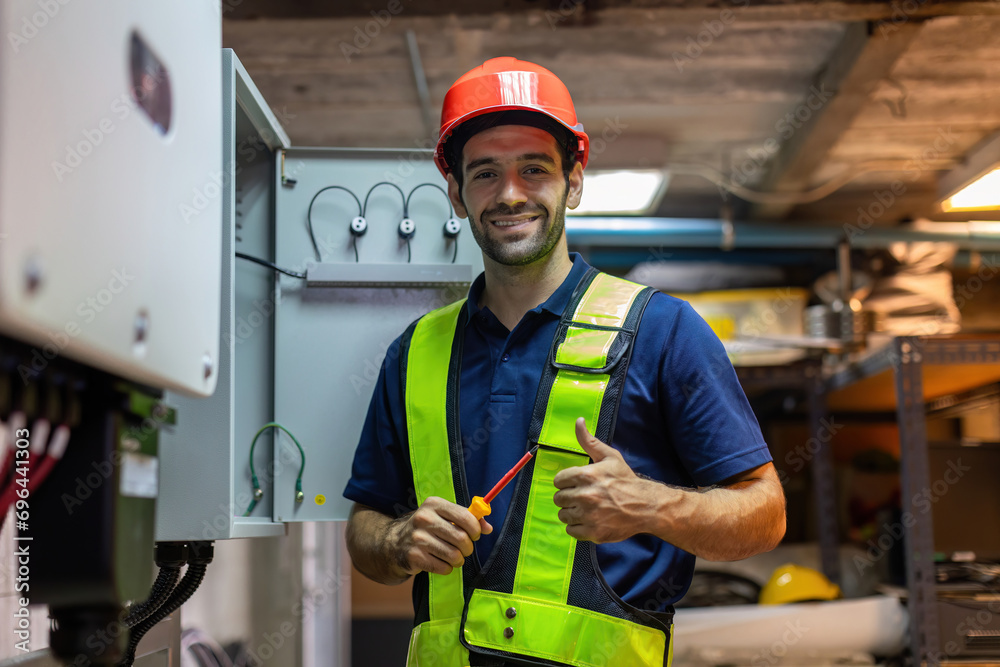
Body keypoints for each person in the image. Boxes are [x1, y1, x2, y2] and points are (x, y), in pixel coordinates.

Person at [344, 57, 786, 667]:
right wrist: (396, 540)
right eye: (485, 173)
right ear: (456, 193)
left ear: (574, 182)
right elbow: (365, 525)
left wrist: (650, 506)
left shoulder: (662, 330)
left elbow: (764, 515)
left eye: (535, 169)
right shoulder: (415, 352)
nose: (511, 194)